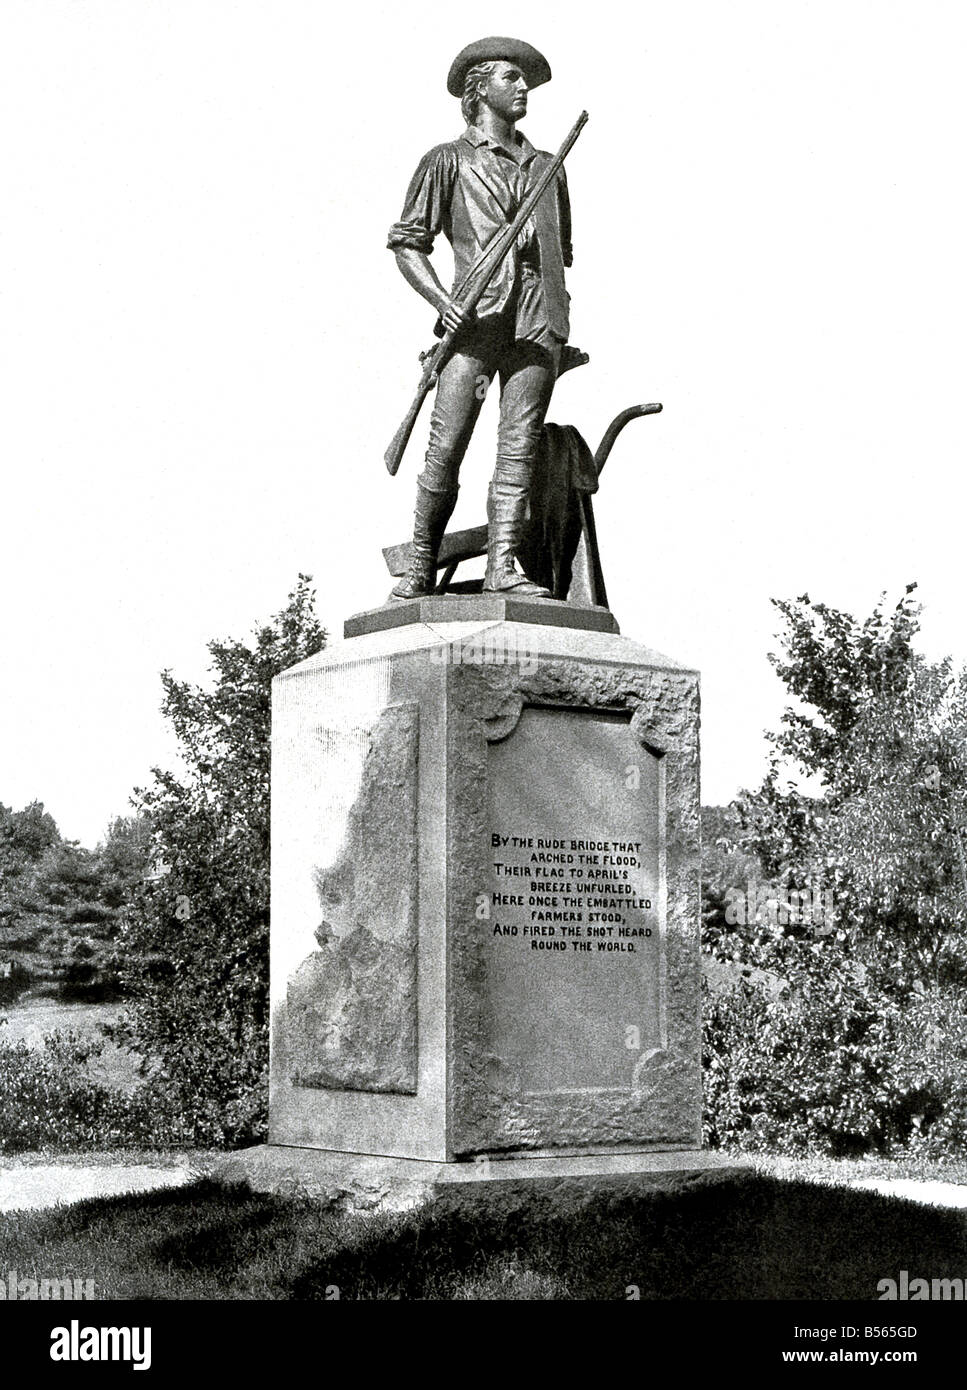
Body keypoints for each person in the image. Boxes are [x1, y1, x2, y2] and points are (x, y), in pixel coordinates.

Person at [386, 36, 574, 599]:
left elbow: (559, 253)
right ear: (478, 89)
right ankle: (420, 567)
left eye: (524, 80)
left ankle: (503, 568)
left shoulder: (549, 167)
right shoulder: (446, 160)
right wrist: (441, 300)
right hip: (474, 321)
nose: (522, 88)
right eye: (510, 78)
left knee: (518, 447)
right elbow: (407, 242)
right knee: (446, 449)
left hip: (537, 322)